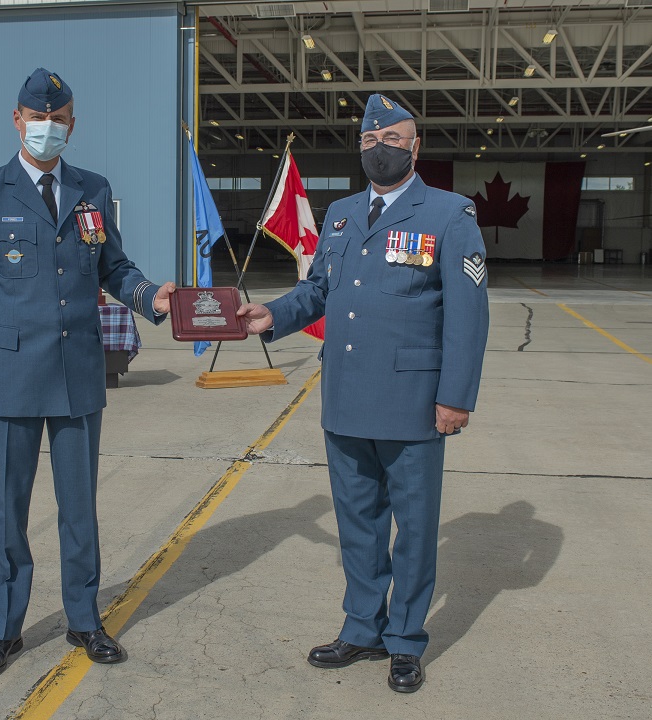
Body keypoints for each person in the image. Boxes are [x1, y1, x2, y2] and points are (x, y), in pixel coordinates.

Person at [237, 94, 489, 693]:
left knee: (415, 527)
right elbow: (318, 290)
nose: (381, 149)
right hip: (346, 397)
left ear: (415, 145)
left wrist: (456, 398)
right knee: (359, 524)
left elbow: (468, 316)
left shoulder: (451, 215)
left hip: (413, 402)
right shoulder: (343, 214)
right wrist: (271, 315)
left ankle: (404, 641)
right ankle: (361, 628)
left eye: (394, 139)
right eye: (370, 141)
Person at [0, 68, 175, 677]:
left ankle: (84, 620)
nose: (48, 127)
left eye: (59, 118)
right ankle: (5, 629)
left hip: (77, 376)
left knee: (80, 508)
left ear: (72, 124)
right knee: (8, 509)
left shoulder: (92, 190)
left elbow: (113, 268)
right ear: (17, 119)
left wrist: (152, 295)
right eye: (37, 117)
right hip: (12, 376)